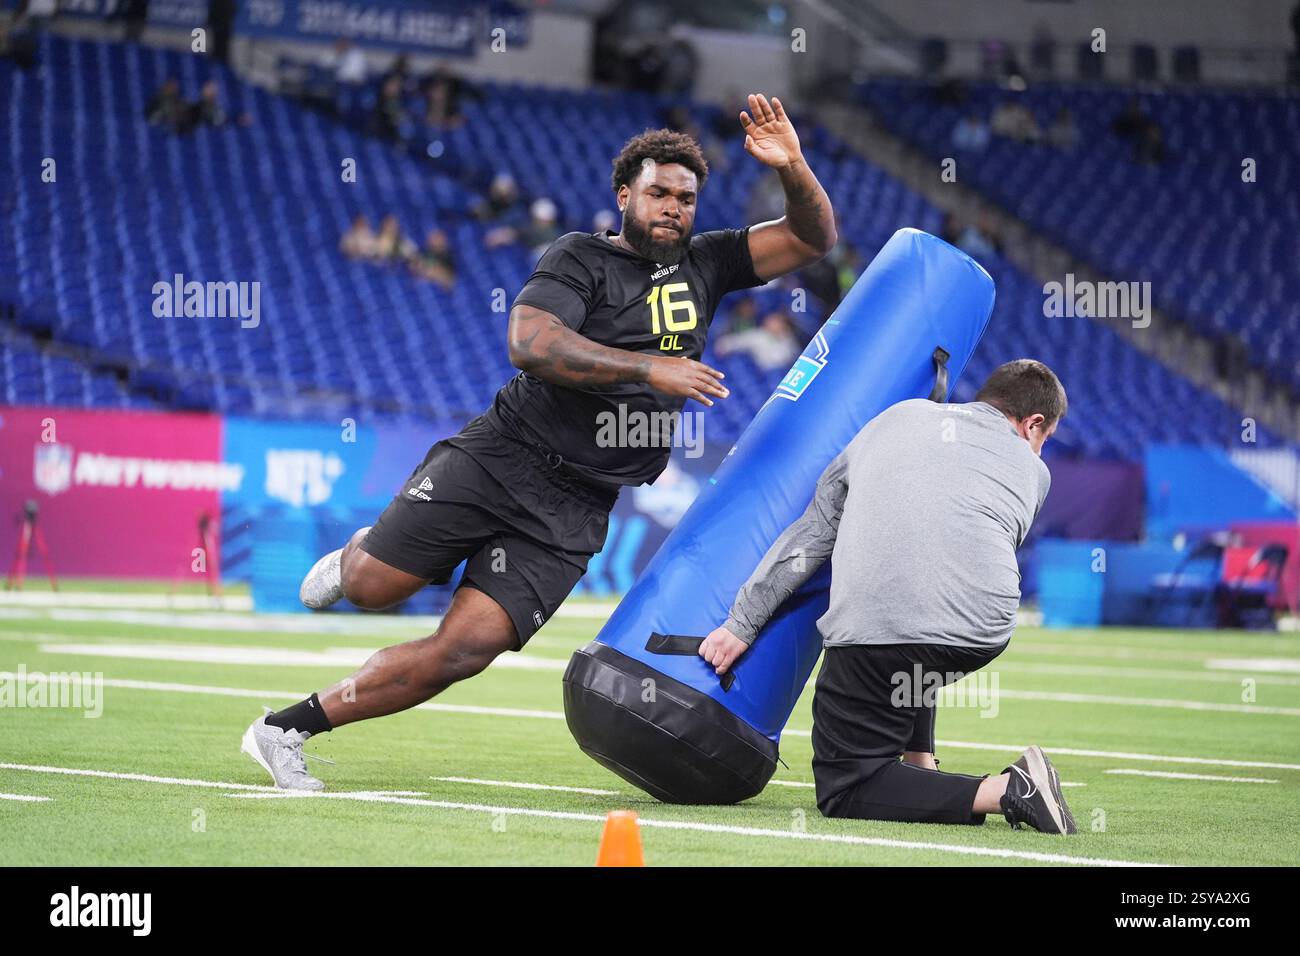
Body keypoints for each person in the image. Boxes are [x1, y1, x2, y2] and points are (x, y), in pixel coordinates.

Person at [241, 94, 838, 790]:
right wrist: (650, 366)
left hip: (575, 507)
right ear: (625, 195)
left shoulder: (709, 263)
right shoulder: (578, 256)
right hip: (503, 456)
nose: (673, 207)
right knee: (373, 588)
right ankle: (359, 554)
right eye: (658, 193)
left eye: (685, 197)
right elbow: (529, 343)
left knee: (464, 651)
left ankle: (284, 729)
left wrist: (793, 164)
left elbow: (812, 238)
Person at [699, 360, 1076, 834]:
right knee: (921, 625)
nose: (1040, 447)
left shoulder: (894, 418)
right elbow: (947, 558)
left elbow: (814, 533)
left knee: (846, 787)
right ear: (1032, 423)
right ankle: (920, 762)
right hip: (985, 629)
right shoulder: (1033, 471)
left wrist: (741, 623)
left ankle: (1007, 791)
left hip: (889, 629)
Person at [713, 309, 802, 371]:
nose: (769, 321)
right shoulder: (760, 334)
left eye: (775, 321)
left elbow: (775, 366)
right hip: (753, 372)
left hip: (769, 380)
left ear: (784, 326)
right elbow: (736, 341)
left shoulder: (789, 345)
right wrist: (724, 346)